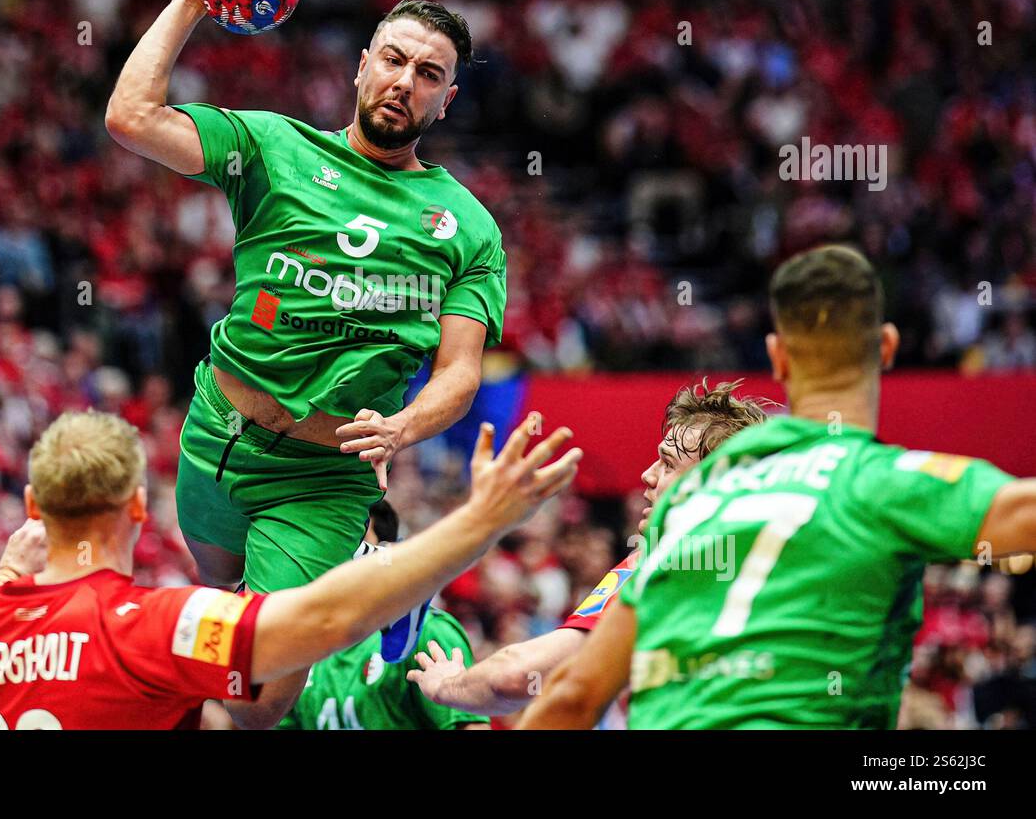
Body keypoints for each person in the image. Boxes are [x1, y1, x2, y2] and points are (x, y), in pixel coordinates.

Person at [105, 0, 507, 726]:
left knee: (255, 699)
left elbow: (461, 373)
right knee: (219, 607)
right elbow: (130, 116)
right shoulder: (272, 146)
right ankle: (369, 593)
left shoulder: (468, 227)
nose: (405, 82)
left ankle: (369, 597)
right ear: (363, 65)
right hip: (214, 431)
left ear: (447, 99)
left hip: (322, 479)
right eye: (393, 60)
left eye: (430, 74)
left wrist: (402, 428)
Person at [519, 245, 1036, 729]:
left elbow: (573, 696)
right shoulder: (884, 482)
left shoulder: (686, 508)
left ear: (778, 356)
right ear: (886, 348)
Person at [0, 409, 578, 729]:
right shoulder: (152, 625)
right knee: (260, 705)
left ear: (34, 505)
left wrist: (0, 583)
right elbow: (322, 618)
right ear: (135, 508)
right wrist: (481, 520)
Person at [407, 381, 768, 717]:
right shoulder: (781, 560)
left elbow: (518, 677)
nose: (648, 474)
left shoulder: (666, 561)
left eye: (669, 463)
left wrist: (448, 685)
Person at [276, 500, 489, 730]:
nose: (338, 550)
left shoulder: (429, 631)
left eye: (357, 540)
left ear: (386, 554)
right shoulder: (304, 649)